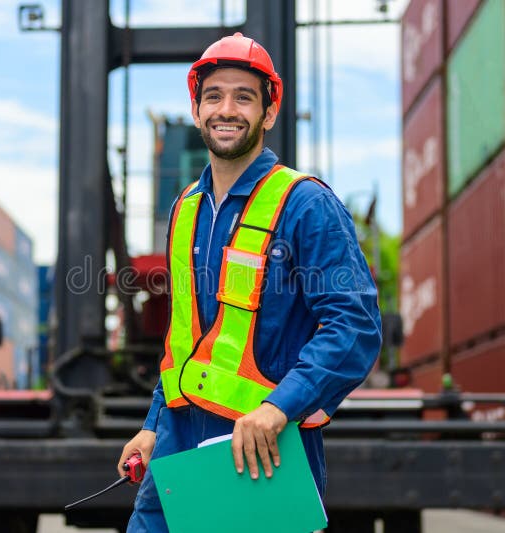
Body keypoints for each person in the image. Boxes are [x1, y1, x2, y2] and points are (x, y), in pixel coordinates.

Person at [118, 32, 382, 532]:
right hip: (175, 444)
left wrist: (277, 408)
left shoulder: (306, 204)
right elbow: (185, 342)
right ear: (196, 111)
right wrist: (153, 426)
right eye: (214, 96)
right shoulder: (185, 211)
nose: (227, 109)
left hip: (261, 451)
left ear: (269, 112)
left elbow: (355, 327)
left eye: (244, 97)